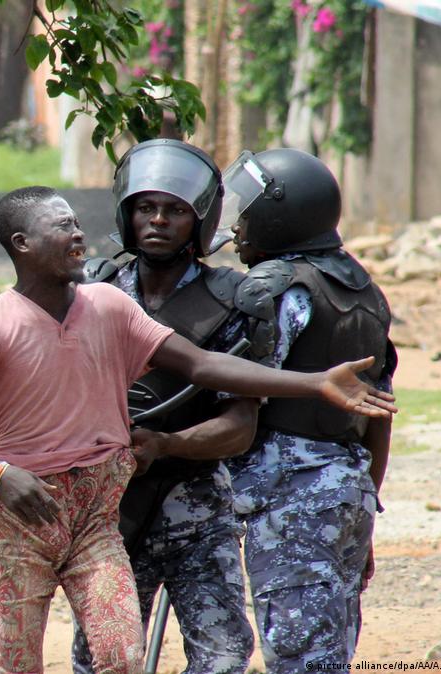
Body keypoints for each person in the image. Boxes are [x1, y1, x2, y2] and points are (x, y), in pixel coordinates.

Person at [0, 186, 395, 674]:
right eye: (62, 226)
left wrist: (315, 383)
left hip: (94, 520)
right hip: (20, 518)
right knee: (19, 665)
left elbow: (202, 365)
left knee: (121, 658)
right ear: (22, 243)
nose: (78, 233)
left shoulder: (108, 306)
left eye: (77, 223)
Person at [71, 139, 255, 674]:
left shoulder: (232, 300)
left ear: (199, 221)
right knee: (102, 659)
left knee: (223, 659)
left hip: (199, 512)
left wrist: (167, 444)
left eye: (175, 210)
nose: (158, 220)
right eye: (146, 207)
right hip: (110, 516)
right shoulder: (93, 293)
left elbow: (241, 426)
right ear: (126, 215)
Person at [222, 148, 395, 673]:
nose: (237, 228)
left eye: (245, 213)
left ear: (278, 215)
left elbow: (241, 389)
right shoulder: (365, 289)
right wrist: (364, 508)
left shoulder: (281, 287)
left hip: (292, 502)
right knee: (330, 654)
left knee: (301, 657)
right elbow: (379, 415)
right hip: (348, 493)